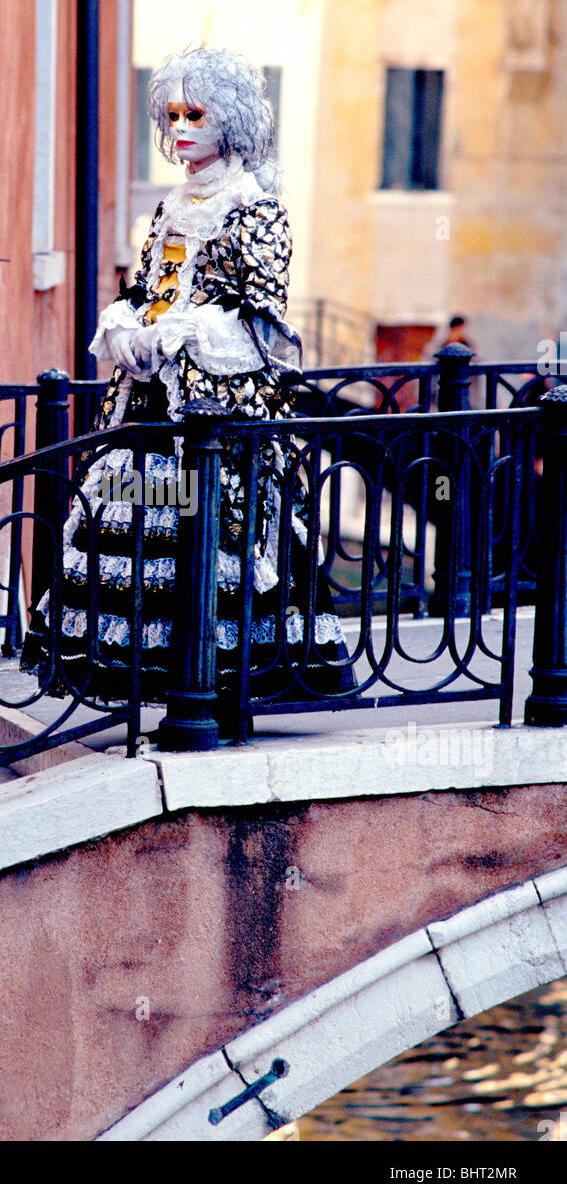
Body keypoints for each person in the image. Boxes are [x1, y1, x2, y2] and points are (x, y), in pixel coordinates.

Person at [20, 46, 353, 729]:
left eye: (193, 114)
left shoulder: (255, 209)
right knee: (138, 520)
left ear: (227, 121)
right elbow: (146, 288)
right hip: (149, 405)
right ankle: (165, 685)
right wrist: (128, 322)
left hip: (215, 411)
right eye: (170, 114)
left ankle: (217, 697)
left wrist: (186, 331)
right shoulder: (171, 208)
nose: (178, 129)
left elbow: (261, 316)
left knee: (216, 532)